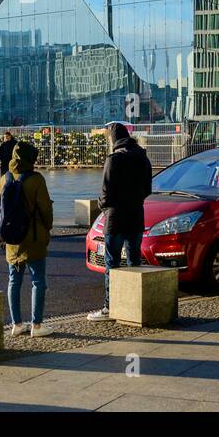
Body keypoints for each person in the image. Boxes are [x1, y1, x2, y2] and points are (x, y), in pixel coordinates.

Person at [88, 122, 153, 321]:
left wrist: (102, 205)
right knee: (134, 262)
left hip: (115, 219)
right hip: (135, 217)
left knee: (112, 264)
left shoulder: (113, 159)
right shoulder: (142, 158)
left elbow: (106, 194)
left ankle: (110, 307)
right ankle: (134, 304)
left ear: (114, 139)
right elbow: (147, 189)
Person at [0, 140, 54, 337]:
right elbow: (46, 209)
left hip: (12, 239)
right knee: (38, 280)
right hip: (34, 237)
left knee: (14, 280)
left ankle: (17, 324)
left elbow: (0, 209)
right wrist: (47, 228)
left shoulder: (4, 178)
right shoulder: (36, 179)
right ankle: (37, 325)